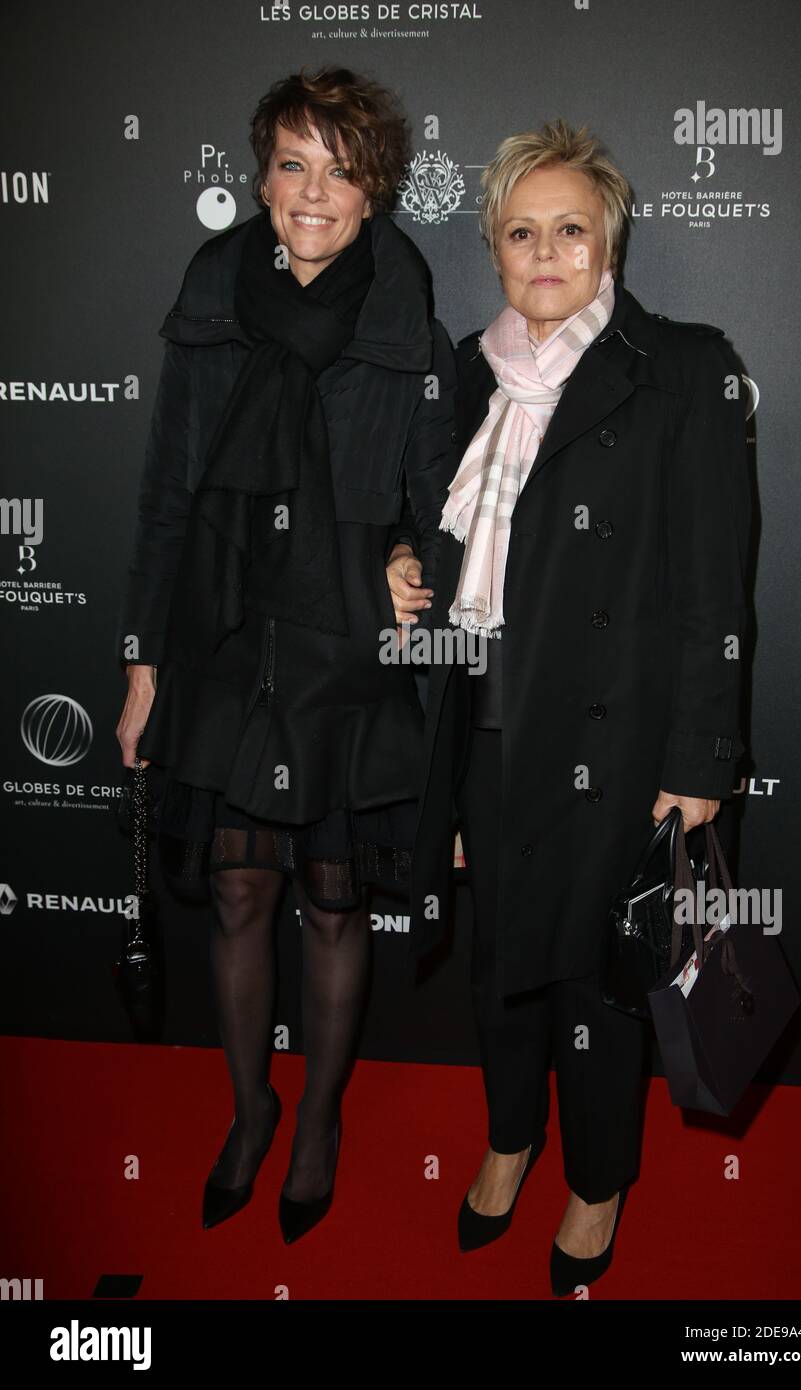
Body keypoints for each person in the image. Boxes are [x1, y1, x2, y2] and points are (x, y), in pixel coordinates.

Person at [409, 119, 751, 1296]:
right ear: (493, 249)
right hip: (484, 729)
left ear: (608, 242)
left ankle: (596, 1177)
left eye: (569, 229)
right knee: (500, 959)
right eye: (519, 231)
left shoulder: (683, 369)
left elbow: (716, 582)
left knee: (596, 977)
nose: (543, 252)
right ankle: (510, 1137)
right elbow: (446, 539)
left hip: (612, 742)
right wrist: (408, 568)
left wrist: (700, 755)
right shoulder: (465, 372)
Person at [115, 65, 456, 1243]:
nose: (314, 192)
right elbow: (166, 491)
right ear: (260, 179)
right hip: (222, 628)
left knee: (327, 896)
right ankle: (248, 1111)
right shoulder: (212, 290)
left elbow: (433, 492)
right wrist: (143, 664)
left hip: (339, 649)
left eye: (339, 169)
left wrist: (413, 554)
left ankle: (317, 1121)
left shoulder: (403, 309)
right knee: (236, 887)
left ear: (374, 189)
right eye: (292, 165)